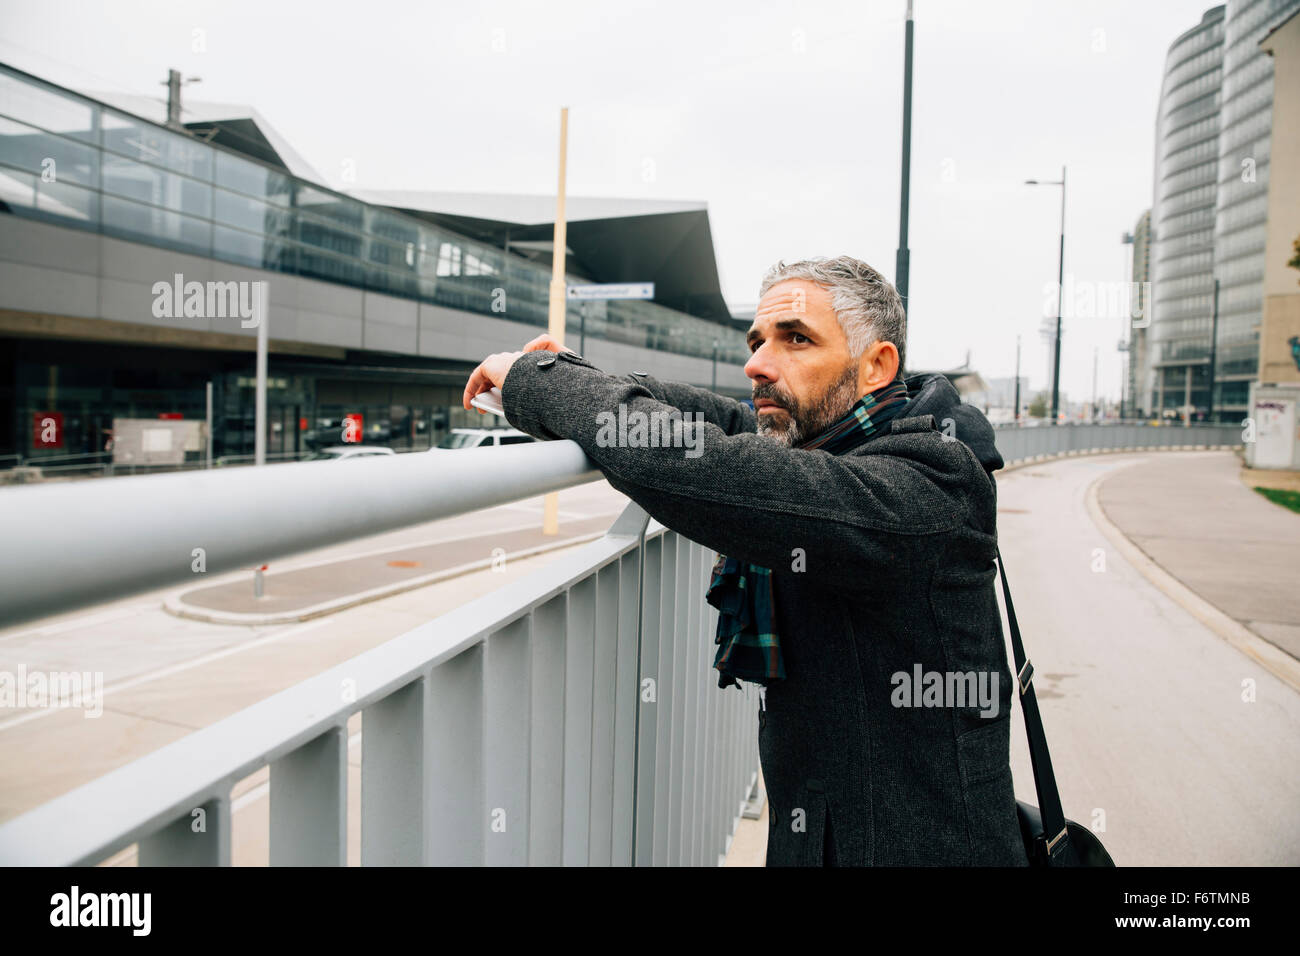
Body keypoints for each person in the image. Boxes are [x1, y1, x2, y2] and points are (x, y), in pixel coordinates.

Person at [464, 255, 1026, 866]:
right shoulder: (842, 438)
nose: (756, 364)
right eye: (758, 341)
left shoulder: (927, 485)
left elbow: (697, 463)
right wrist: (566, 374)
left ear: (876, 366)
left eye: (796, 340)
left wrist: (539, 381)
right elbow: (725, 420)